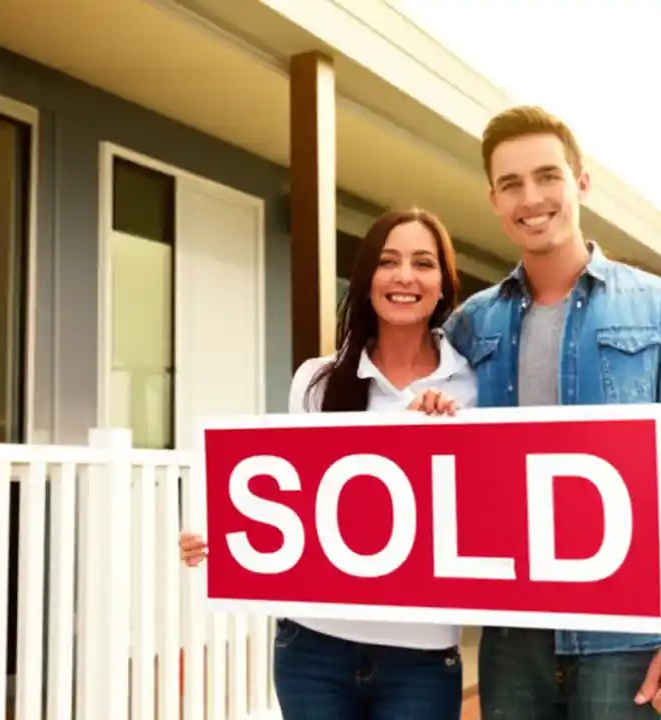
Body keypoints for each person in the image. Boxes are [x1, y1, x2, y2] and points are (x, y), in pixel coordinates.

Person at [416, 106, 661, 719]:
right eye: (510, 184)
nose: (530, 198)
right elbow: (419, 441)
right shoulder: (470, 325)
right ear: (492, 199)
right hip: (513, 640)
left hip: (627, 637)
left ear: (581, 183)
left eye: (547, 176)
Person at [179, 207, 476, 719]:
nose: (405, 276)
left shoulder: (472, 384)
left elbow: (486, 511)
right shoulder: (317, 380)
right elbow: (300, 501)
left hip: (422, 657)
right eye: (388, 262)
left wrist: (445, 437)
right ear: (365, 280)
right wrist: (223, 539)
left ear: (443, 284)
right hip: (314, 647)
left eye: (423, 263)